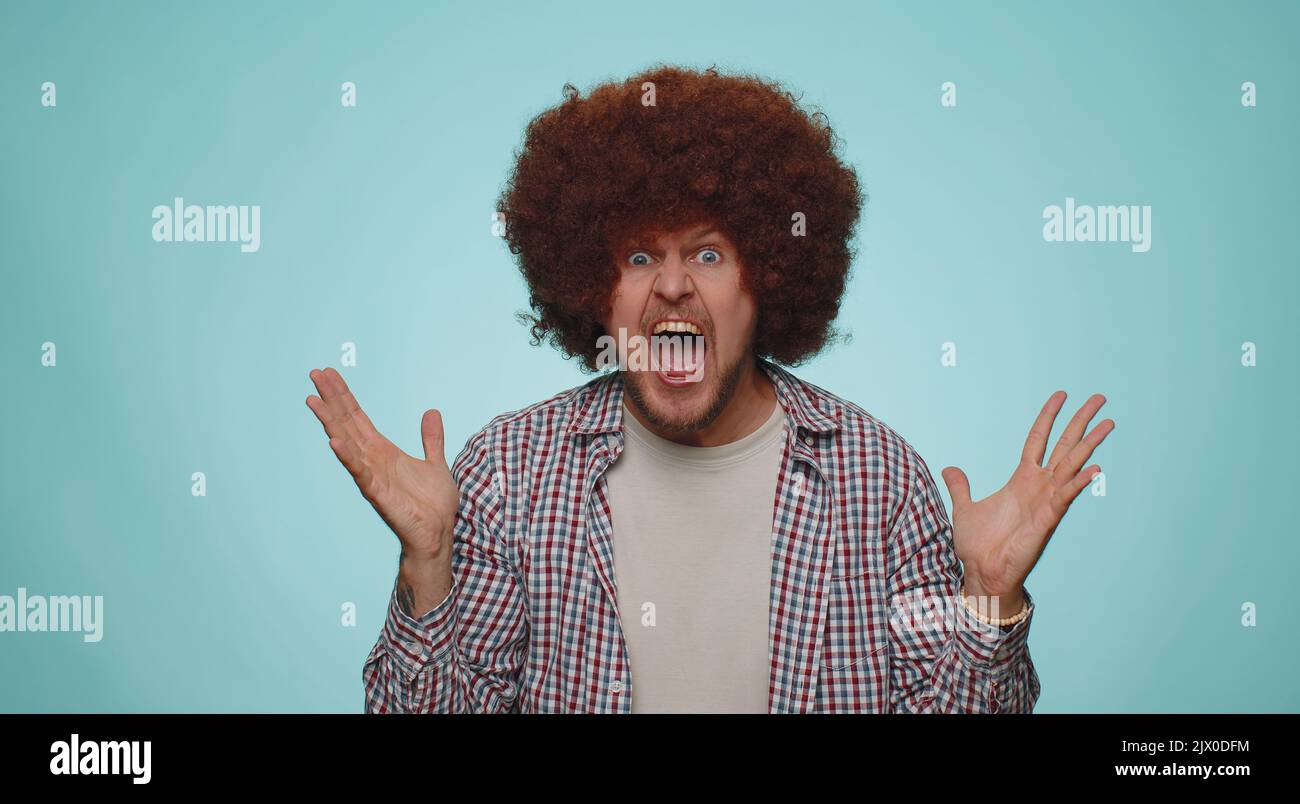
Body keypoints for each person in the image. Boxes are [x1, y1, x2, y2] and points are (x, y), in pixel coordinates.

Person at [305, 65, 1113, 713]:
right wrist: (430, 563)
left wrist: (989, 601)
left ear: (768, 282)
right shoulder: (509, 473)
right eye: (639, 257)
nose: (674, 287)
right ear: (596, 289)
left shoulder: (882, 481)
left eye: (711, 254)